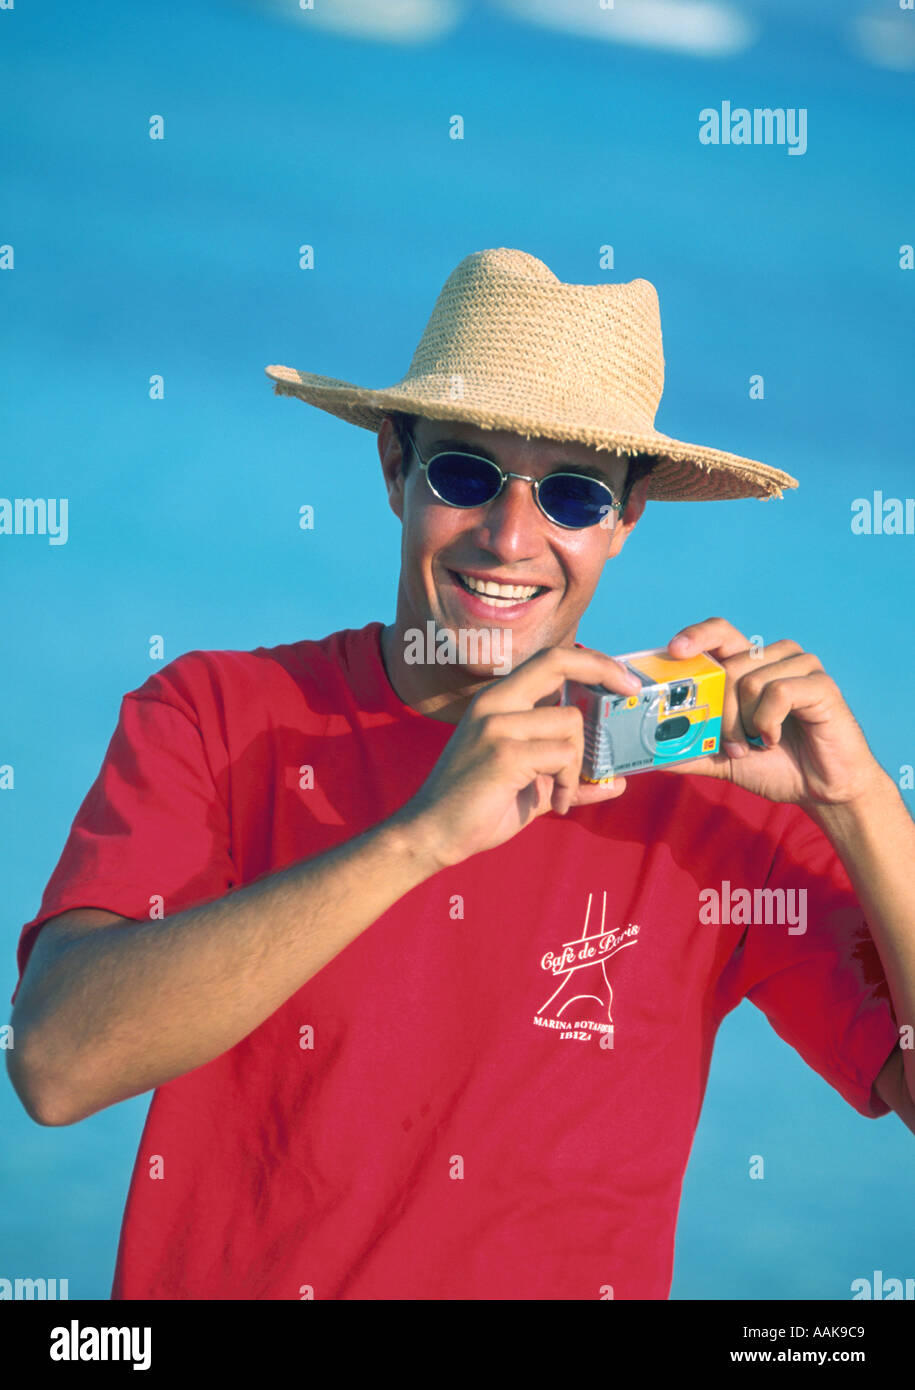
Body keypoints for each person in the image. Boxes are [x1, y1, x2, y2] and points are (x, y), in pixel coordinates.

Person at [7, 248, 915, 1302]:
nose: (511, 534)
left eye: (572, 493)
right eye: (467, 473)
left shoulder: (700, 791)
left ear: (626, 521)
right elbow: (56, 1064)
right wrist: (419, 836)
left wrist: (864, 805)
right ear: (395, 469)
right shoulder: (216, 719)